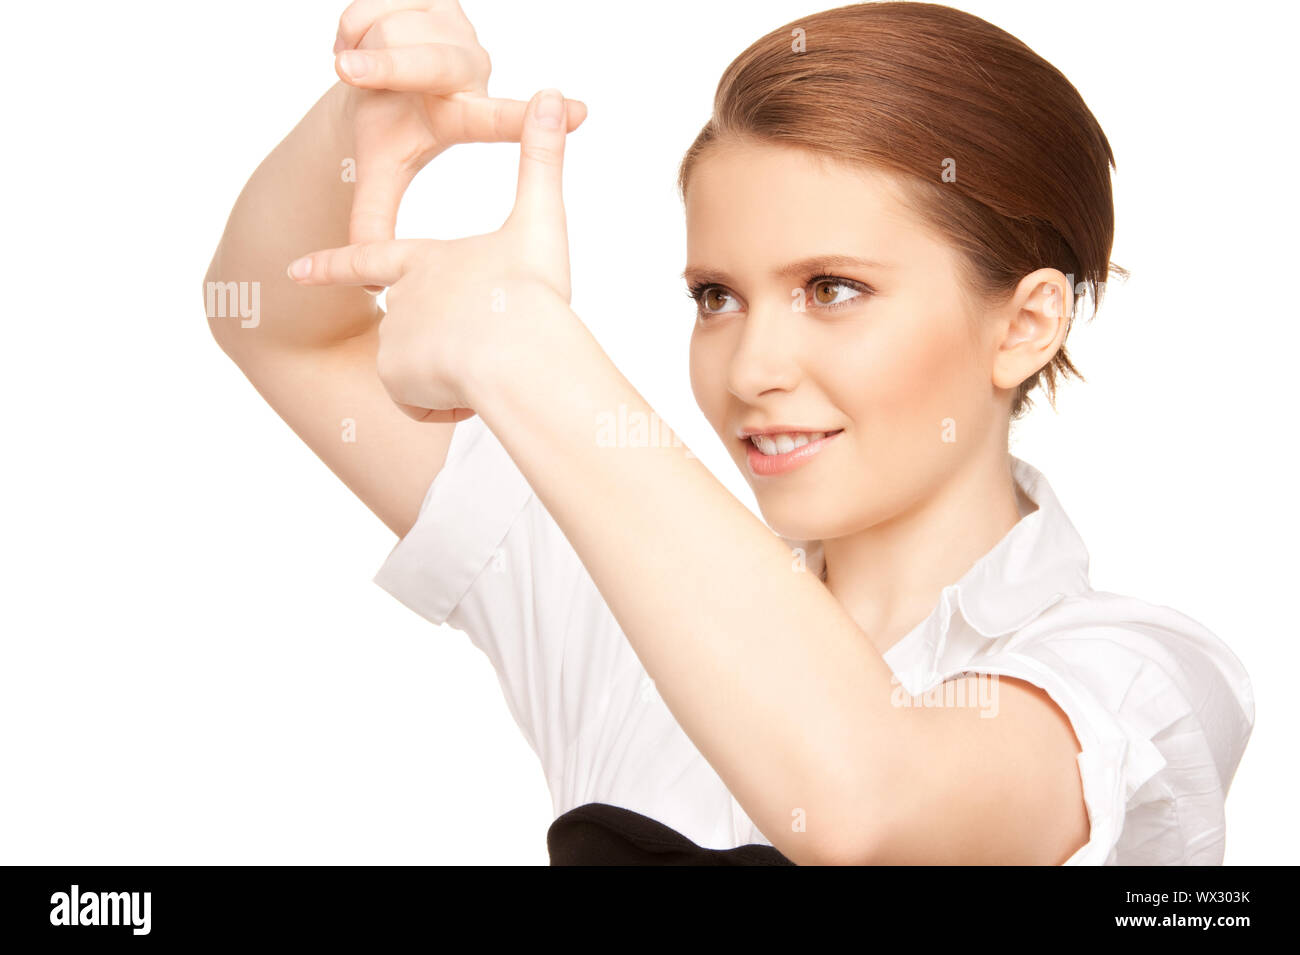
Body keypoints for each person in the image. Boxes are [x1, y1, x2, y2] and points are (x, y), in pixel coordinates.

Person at [205, 0, 1254, 865]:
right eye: (716, 296)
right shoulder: (617, 584)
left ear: (1025, 323)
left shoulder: (1141, 677)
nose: (750, 369)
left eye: (832, 288)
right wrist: (358, 132)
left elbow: (867, 803)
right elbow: (278, 326)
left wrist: (526, 348)